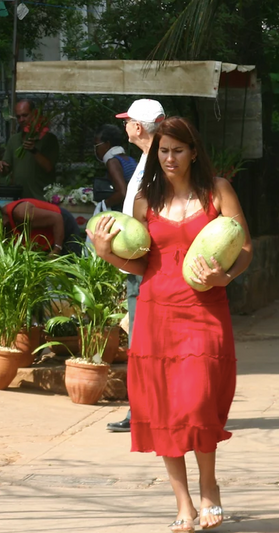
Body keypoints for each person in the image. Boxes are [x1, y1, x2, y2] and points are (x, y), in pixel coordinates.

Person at [88, 116, 252, 533]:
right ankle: (184, 504)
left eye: (178, 150)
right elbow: (142, 264)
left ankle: (209, 488)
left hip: (205, 309)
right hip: (156, 313)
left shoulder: (218, 190)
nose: (170, 158)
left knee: (198, 403)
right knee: (164, 410)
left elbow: (245, 248)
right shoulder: (145, 199)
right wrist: (106, 253)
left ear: (193, 152)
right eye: (163, 150)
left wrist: (225, 277)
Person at [107, 98, 165, 433]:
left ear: (138, 127)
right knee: (142, 339)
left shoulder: (158, 161)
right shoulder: (149, 158)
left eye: (127, 121)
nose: (125, 126)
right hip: (138, 264)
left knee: (143, 342)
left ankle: (143, 412)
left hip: (148, 266)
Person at [0, 99, 59, 201]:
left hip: (42, 198)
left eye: (25, 115)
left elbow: (49, 167)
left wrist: (34, 151)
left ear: (35, 114)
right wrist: (1, 167)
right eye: (18, 117)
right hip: (20, 199)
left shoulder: (48, 139)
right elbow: (6, 169)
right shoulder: (14, 140)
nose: (21, 120)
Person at [0, 198, 82, 255]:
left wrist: (56, 249)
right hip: (45, 241)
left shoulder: (21, 213)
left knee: (71, 266)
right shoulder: (4, 226)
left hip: (63, 223)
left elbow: (57, 218)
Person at [93, 124, 137, 210]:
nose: (95, 149)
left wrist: (103, 204)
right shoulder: (130, 160)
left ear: (107, 144)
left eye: (97, 145)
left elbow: (122, 193)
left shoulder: (112, 162)